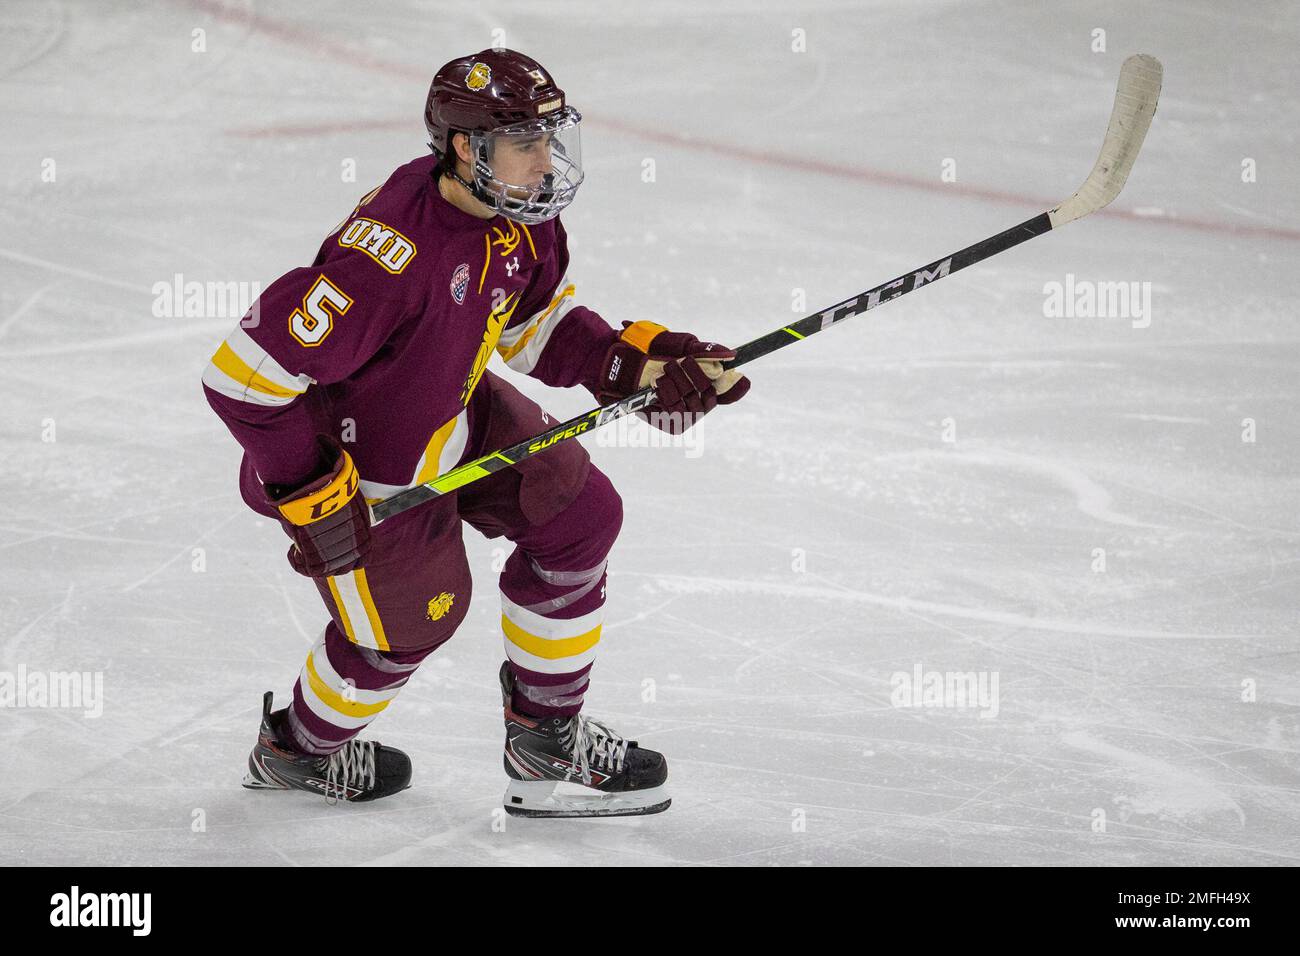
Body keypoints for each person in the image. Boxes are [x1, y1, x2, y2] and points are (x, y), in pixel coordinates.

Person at [202, 48, 749, 817]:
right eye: (526, 142)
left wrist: (636, 368)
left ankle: (545, 741)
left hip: (450, 405)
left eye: (550, 137)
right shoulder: (387, 259)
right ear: (466, 147)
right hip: (369, 471)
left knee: (578, 518)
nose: (546, 161)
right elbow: (243, 377)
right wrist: (315, 496)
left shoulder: (517, 215)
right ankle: (294, 751)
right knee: (399, 636)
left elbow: (528, 325)